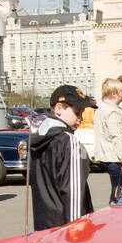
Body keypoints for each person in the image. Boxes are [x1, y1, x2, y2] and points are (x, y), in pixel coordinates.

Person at [29, 83, 96, 231]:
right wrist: (75, 229)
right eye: (77, 112)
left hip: (44, 227)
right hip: (67, 230)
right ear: (59, 108)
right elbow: (73, 192)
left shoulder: (38, 139)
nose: (81, 119)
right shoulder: (69, 141)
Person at [94, 77, 122, 204]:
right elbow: (117, 137)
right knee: (119, 195)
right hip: (115, 157)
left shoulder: (102, 108)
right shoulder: (112, 111)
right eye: (121, 91)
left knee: (117, 192)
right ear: (114, 94)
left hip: (108, 156)